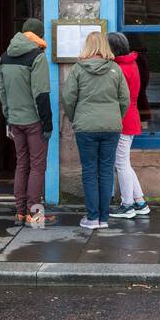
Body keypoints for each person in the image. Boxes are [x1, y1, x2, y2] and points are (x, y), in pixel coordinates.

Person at [60, 31, 130, 229]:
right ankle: (104, 218)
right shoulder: (115, 68)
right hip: (111, 126)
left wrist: (76, 118)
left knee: (90, 171)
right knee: (107, 170)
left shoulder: (77, 69)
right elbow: (124, 99)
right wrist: (115, 117)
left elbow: (68, 98)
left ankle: (92, 218)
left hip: (86, 127)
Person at [0, 17, 55, 227]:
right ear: (39, 35)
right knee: (38, 167)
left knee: (22, 164)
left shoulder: (4, 57)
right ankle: (34, 213)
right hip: (34, 121)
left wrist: (8, 118)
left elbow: (2, 92)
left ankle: (21, 212)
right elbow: (41, 93)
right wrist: (47, 123)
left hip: (15, 120)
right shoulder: (37, 56)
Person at [107, 32, 150, 219]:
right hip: (130, 116)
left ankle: (127, 205)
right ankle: (139, 201)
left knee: (121, 164)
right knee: (125, 162)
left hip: (122, 118)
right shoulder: (132, 63)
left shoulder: (118, 68)